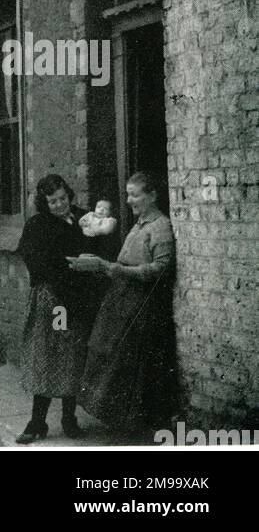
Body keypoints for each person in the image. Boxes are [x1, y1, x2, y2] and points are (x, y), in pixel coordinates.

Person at [69, 171, 178, 438]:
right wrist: (97, 264)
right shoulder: (139, 223)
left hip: (141, 303)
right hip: (121, 299)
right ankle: (119, 421)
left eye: (135, 194)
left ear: (152, 195)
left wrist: (115, 269)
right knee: (108, 355)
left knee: (129, 361)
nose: (129, 200)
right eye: (128, 194)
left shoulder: (160, 226)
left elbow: (161, 269)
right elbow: (125, 261)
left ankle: (134, 426)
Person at [15, 173, 92, 443]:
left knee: (72, 356)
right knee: (48, 355)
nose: (59, 205)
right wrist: (65, 268)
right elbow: (34, 261)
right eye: (52, 201)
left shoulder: (85, 219)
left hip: (79, 299)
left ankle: (69, 419)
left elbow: (101, 247)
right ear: (44, 203)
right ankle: (37, 422)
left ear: (68, 194)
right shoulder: (37, 226)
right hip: (53, 302)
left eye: (62, 198)